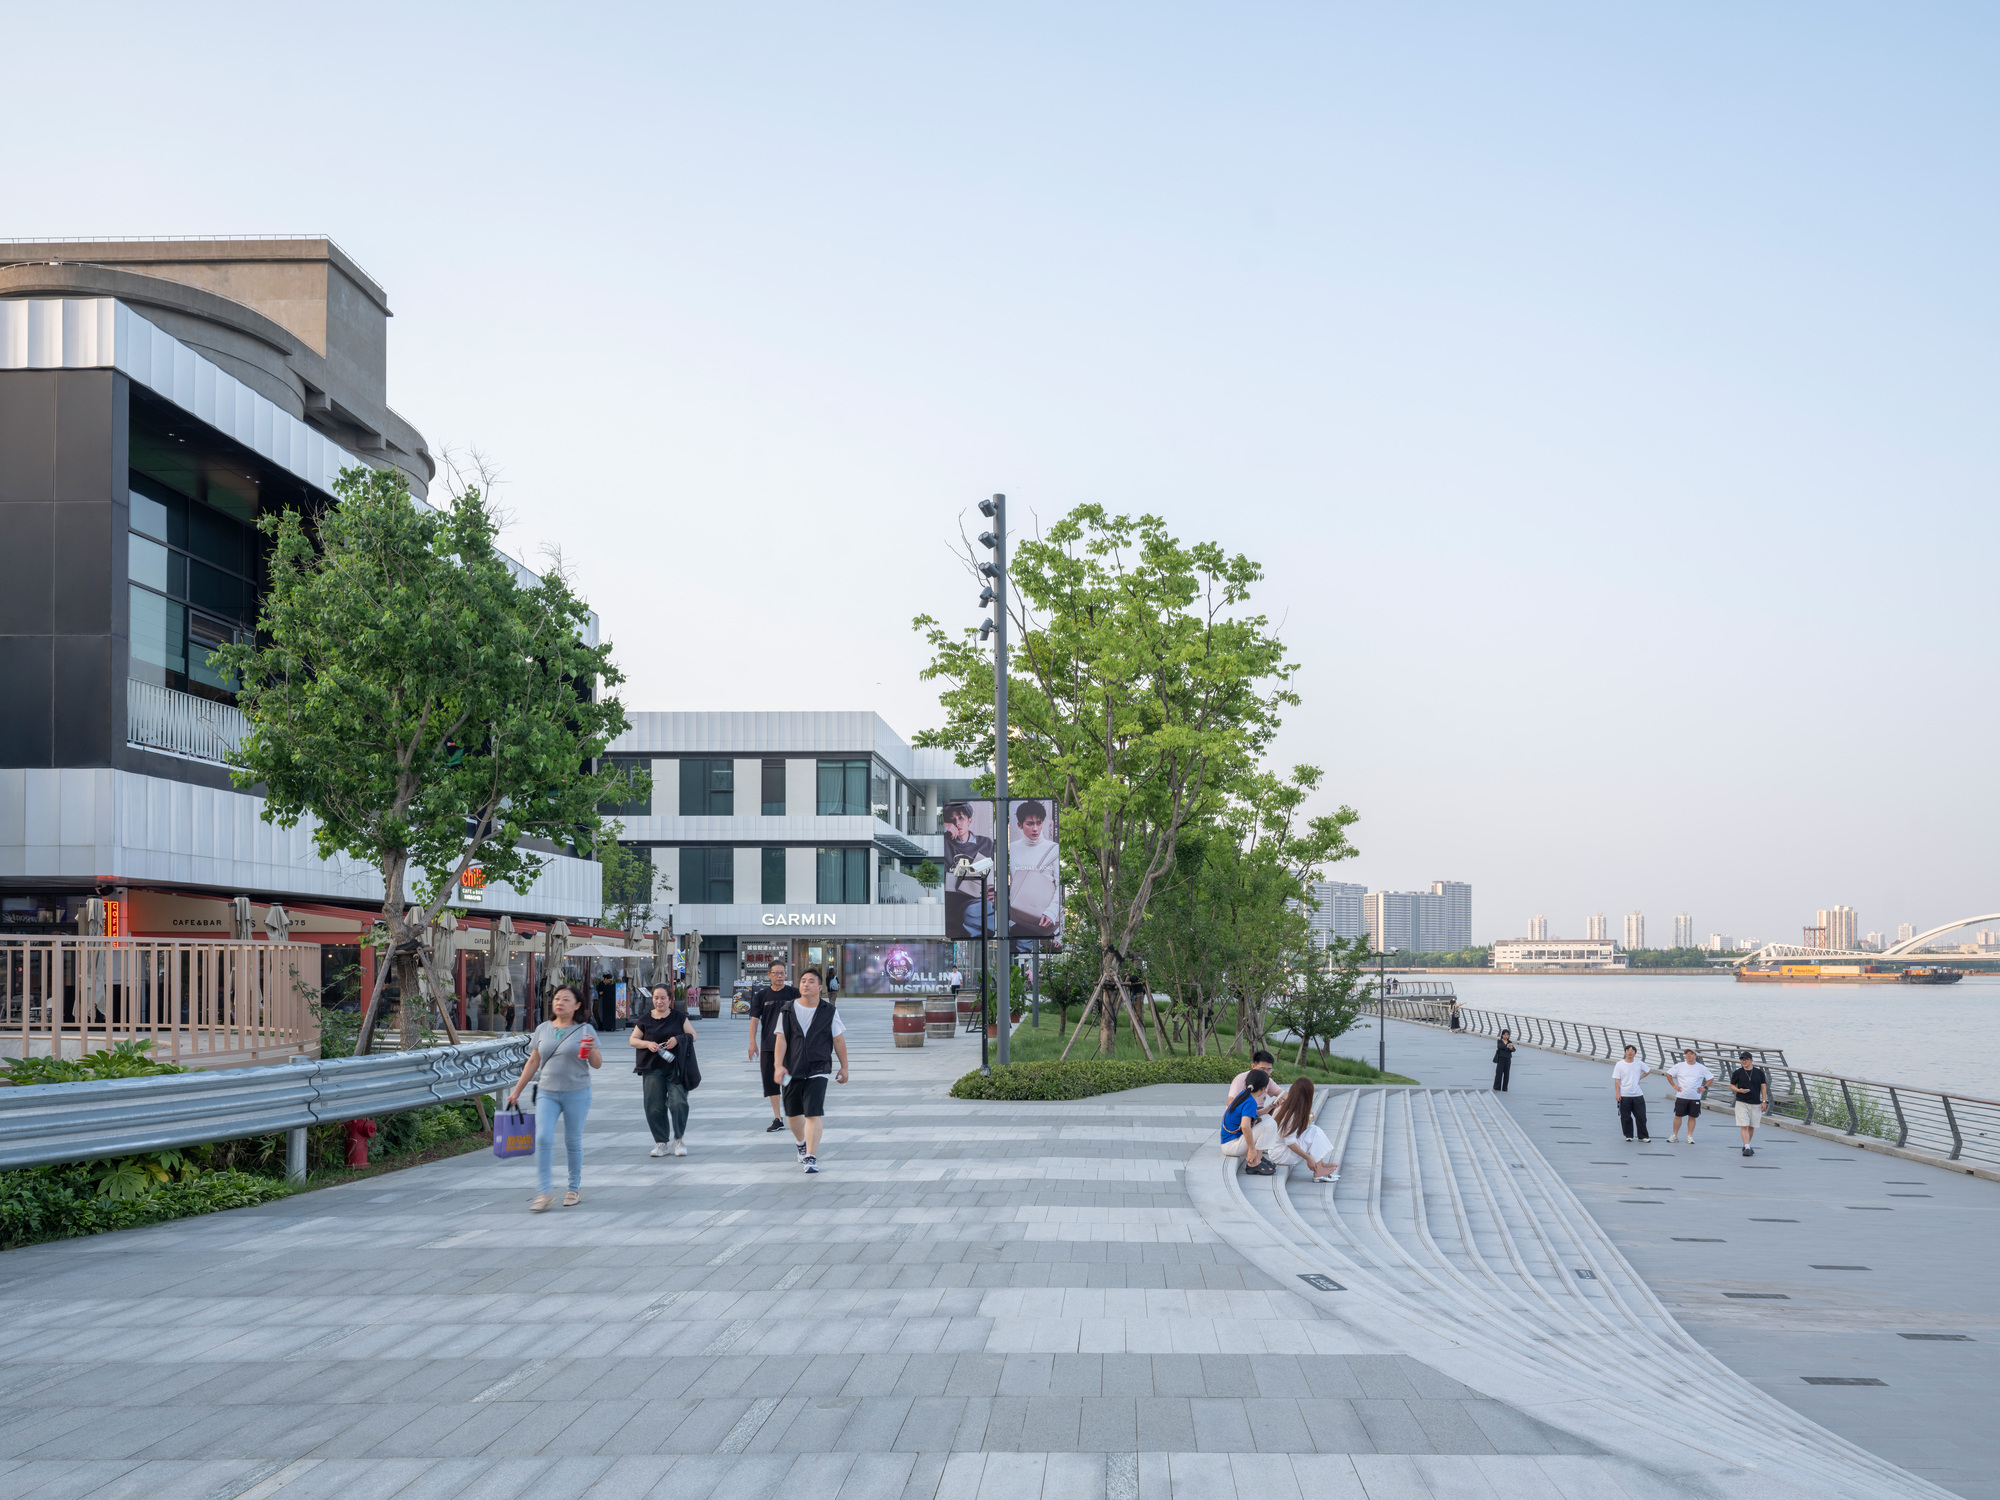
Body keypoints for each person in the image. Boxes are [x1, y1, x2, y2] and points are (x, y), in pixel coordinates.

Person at [504, 983, 601, 1212]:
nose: (560, 1003)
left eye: (566, 1000)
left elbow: (596, 1065)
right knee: (544, 1138)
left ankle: (573, 1188)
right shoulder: (543, 1028)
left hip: (577, 1091)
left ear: (577, 1005)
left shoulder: (586, 1030)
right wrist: (517, 1091)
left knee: (572, 1140)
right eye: (557, 999)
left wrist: (591, 1051)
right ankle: (545, 1191)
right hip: (547, 1092)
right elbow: (534, 1061)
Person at [771, 968, 850, 1173]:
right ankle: (801, 1143)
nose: (806, 984)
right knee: (793, 1114)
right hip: (791, 1070)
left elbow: (838, 1039)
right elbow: (781, 1039)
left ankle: (811, 1156)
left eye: (811, 981)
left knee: (814, 1112)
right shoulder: (787, 1009)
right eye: (803, 981)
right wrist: (778, 1066)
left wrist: (844, 1066)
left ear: (820, 987)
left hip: (819, 1068)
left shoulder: (829, 1011)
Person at [630, 983, 695, 1156]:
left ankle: (679, 1139)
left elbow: (693, 1036)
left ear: (670, 999)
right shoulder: (645, 1019)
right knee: (654, 1106)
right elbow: (633, 1040)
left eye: (663, 998)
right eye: (656, 998)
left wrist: (678, 1039)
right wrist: (647, 1043)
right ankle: (661, 1142)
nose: (659, 1002)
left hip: (676, 1068)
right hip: (652, 1067)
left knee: (678, 1102)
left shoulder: (679, 1017)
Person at [746, 960, 799, 1133]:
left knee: (791, 1081)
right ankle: (778, 1118)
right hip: (769, 1045)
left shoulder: (794, 993)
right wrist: (752, 1043)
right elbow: (754, 1021)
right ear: (769, 975)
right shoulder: (761, 996)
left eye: (782, 973)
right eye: (775, 973)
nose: (779, 976)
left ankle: (794, 1115)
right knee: (771, 1082)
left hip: (791, 1046)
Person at [1007, 800, 1062, 938]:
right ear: (1020, 825)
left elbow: (1059, 884)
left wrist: (1052, 911)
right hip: (1016, 917)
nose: (1035, 828)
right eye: (1030, 823)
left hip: (1046, 918)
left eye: (1039, 823)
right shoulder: (1011, 849)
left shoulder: (1053, 849)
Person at [1269, 1077, 1340, 1182]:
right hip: (1281, 1154)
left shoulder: (1286, 1106)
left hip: (1277, 1150)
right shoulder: (1292, 1114)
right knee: (1314, 1133)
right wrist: (1308, 1158)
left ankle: (1320, 1165)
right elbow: (1290, 1142)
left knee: (1313, 1130)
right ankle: (1318, 1170)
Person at [941, 802, 995, 938]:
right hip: (954, 902)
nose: (957, 823)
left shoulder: (986, 843)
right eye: (951, 820)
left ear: (969, 821)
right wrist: (943, 826)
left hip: (979, 898)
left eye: (961, 818)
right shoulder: (944, 843)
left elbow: (994, 872)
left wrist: (995, 891)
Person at [1221, 1068, 1279, 1174]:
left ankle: (1258, 1157)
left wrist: (1270, 1107)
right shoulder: (1250, 1102)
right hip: (1232, 1146)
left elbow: (1254, 1115)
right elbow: (1245, 1126)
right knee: (1270, 1124)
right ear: (1263, 1089)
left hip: (1229, 1143)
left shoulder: (1244, 1095)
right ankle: (1255, 1162)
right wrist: (1251, 1150)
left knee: (1267, 1118)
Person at [1666, 1047, 1713, 1145]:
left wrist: (1705, 1087)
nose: (1689, 1056)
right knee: (1678, 1115)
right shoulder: (1680, 1066)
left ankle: (1689, 1136)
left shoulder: (1701, 1067)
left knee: (1692, 1116)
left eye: (1691, 1054)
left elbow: (1711, 1078)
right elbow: (1668, 1074)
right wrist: (1674, 1085)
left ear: (1695, 1056)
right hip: (1682, 1095)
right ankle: (1674, 1135)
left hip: (1695, 1096)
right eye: (1687, 1054)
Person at [1730, 1050, 1770, 1157]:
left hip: (1756, 1103)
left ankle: (1746, 1144)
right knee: (1744, 1125)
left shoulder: (1759, 1073)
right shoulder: (1737, 1073)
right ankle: (1747, 1147)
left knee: (1752, 1126)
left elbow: (1763, 1087)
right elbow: (1732, 1085)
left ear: (1751, 1060)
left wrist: (1764, 1101)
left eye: (1746, 1059)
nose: (1744, 1061)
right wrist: (1739, 1090)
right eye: (1742, 1059)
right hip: (1741, 1101)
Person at [1612, 1045, 1653, 1144]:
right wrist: (1617, 1093)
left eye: (1632, 1051)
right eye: (1628, 1050)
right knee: (1625, 1116)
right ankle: (1628, 1135)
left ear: (1635, 1053)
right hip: (1624, 1094)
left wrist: (1639, 1078)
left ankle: (1643, 1136)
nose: (1630, 1052)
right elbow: (1617, 1080)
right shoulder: (1620, 1064)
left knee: (1641, 1116)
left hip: (1637, 1094)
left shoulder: (1639, 1063)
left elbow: (1648, 1071)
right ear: (1625, 1052)